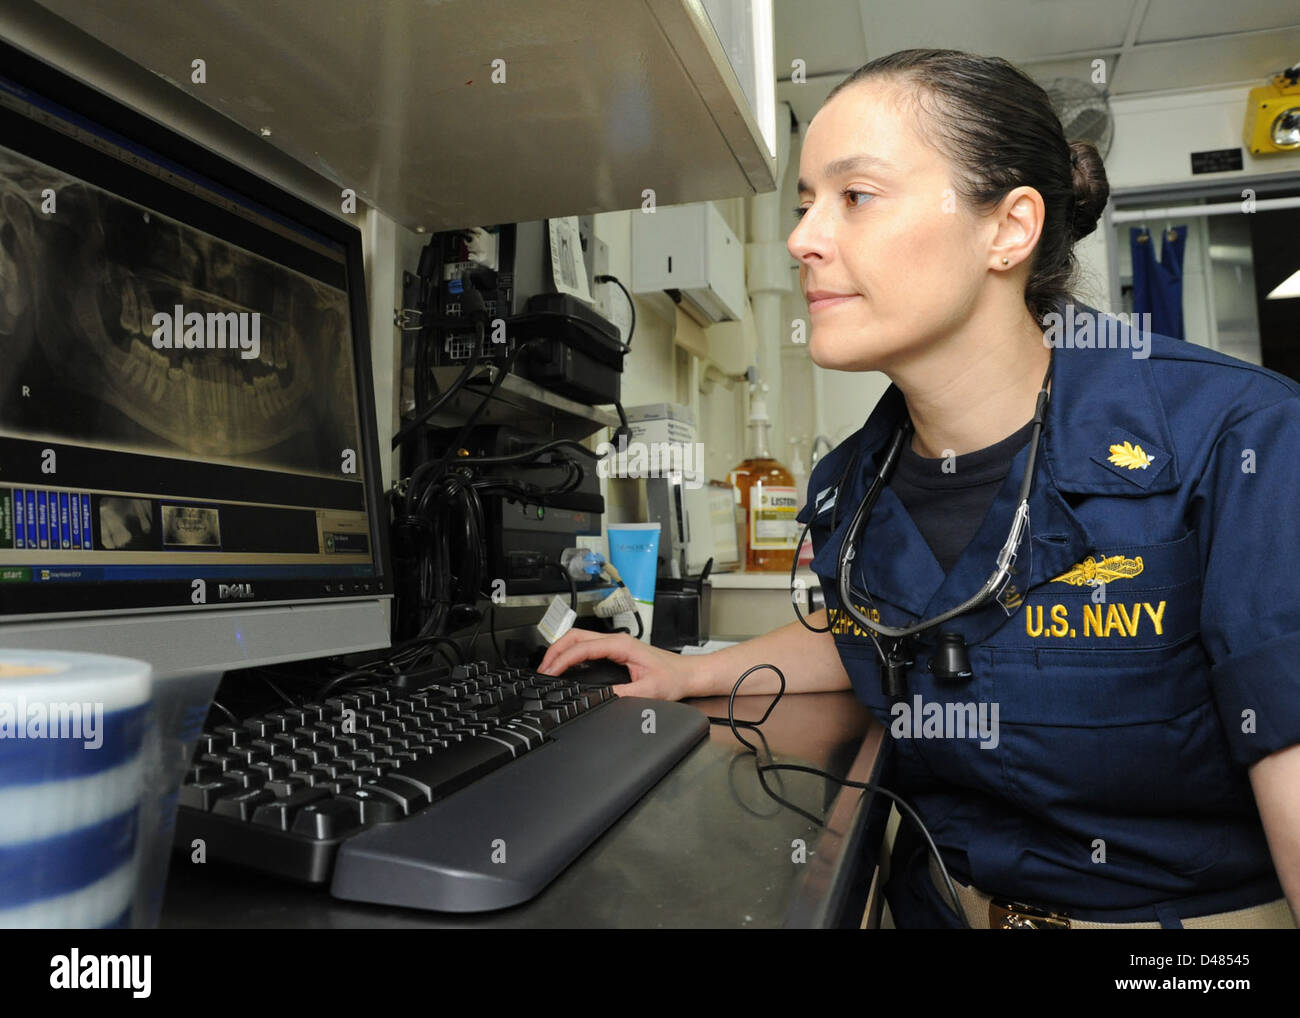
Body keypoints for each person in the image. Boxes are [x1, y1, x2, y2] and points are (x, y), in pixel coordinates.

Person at [539, 48, 1300, 929]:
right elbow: (874, 629)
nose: (802, 239)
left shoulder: (1242, 441)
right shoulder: (850, 483)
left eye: (855, 197)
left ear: (1007, 230)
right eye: (804, 206)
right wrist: (687, 672)